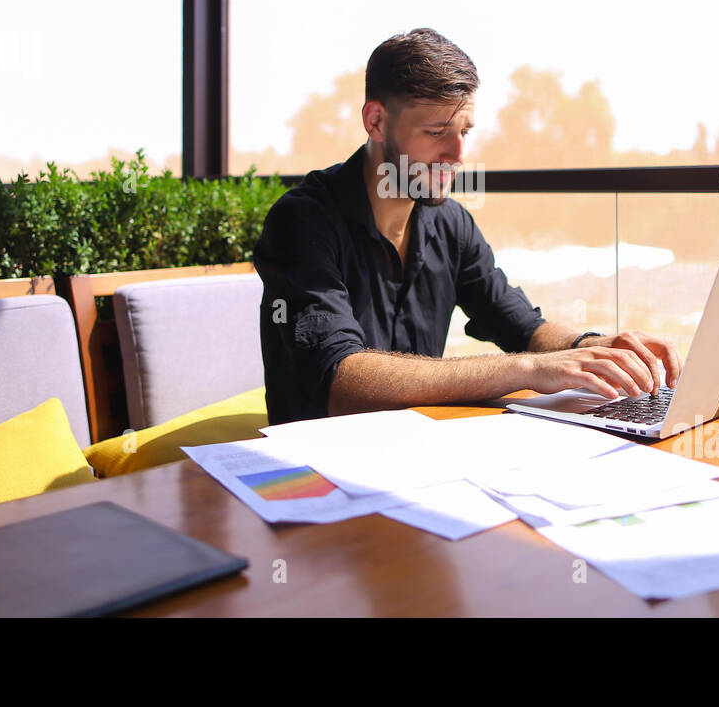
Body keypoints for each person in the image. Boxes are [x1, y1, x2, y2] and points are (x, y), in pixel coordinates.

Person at [253, 27, 680, 424]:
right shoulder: (302, 221)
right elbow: (338, 379)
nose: (457, 155)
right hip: (316, 467)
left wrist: (590, 348)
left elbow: (519, 325)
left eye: (465, 132)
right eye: (438, 131)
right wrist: (529, 368)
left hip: (413, 453)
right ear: (376, 121)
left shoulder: (450, 224)